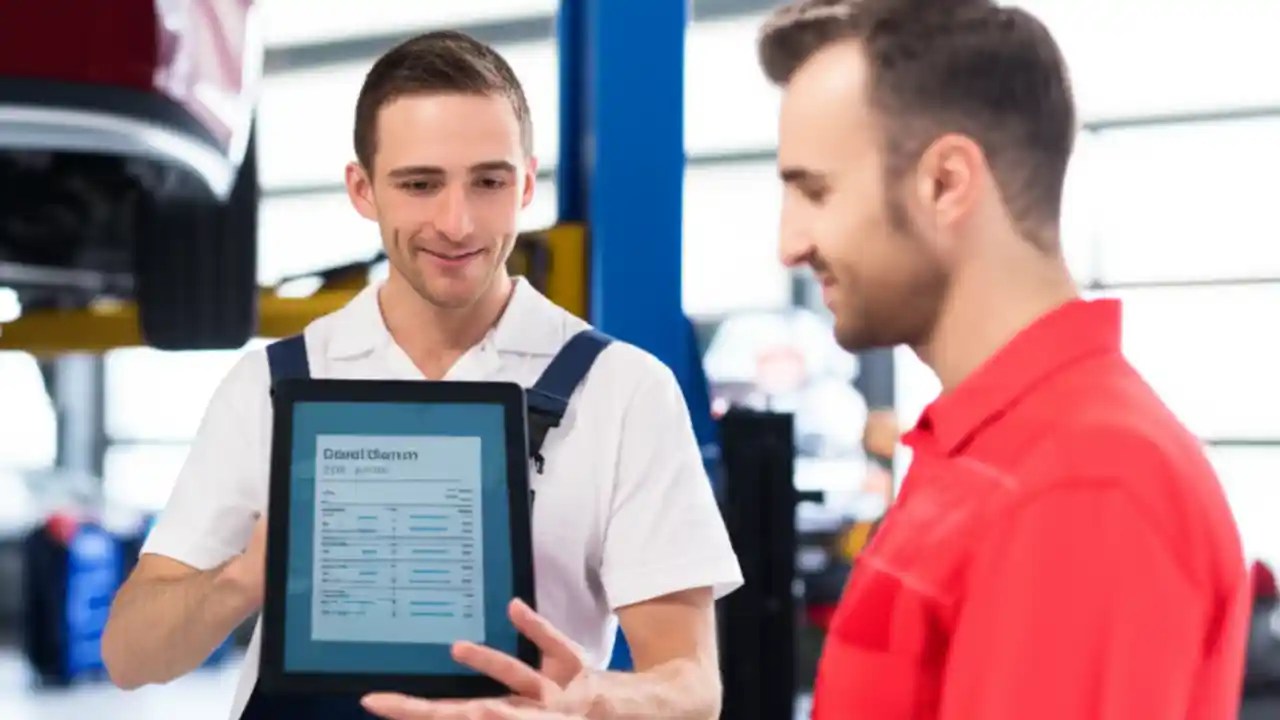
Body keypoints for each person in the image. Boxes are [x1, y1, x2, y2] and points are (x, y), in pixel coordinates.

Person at [101, 30, 742, 720]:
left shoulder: (622, 390)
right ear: (363, 189)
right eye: (419, 184)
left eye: (489, 182)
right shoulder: (269, 387)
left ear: (526, 184)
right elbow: (131, 657)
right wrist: (245, 578)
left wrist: (595, 699)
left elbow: (692, 687)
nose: (456, 222)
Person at [756, 1, 1251, 718]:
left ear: (947, 182)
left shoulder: (1086, 483)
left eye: (816, 192)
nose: (790, 245)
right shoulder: (989, 451)